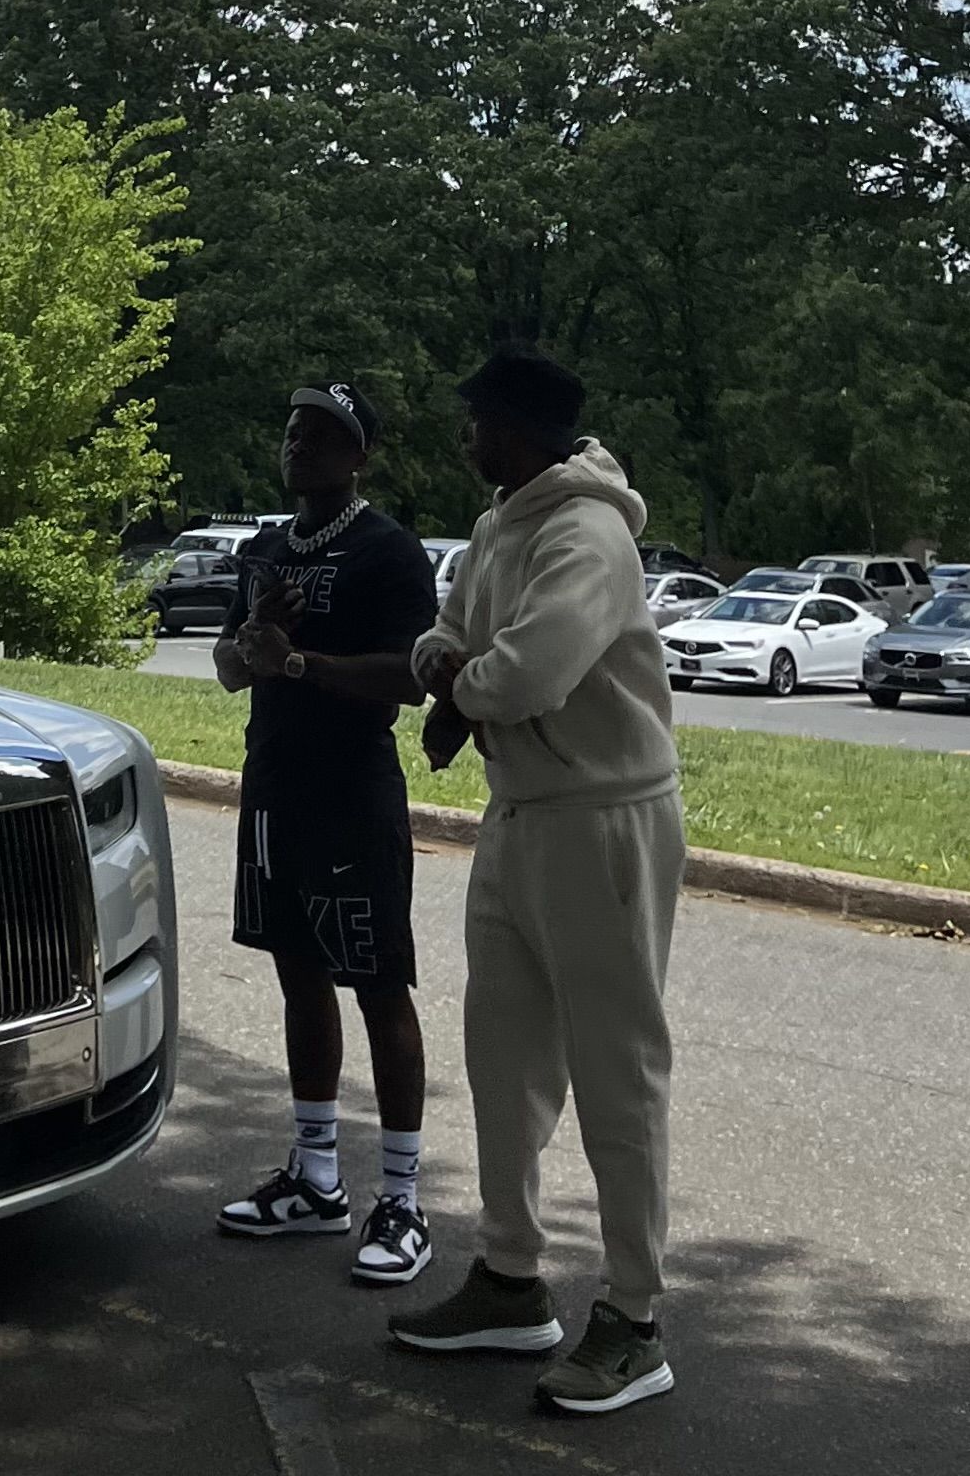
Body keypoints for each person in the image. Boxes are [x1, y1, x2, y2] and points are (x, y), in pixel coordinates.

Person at [386, 345, 685, 1417]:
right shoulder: (497, 524)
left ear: (521, 429)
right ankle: (511, 1279)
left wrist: (458, 694)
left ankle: (636, 1321)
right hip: (518, 817)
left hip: (606, 818)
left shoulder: (590, 532)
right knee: (505, 1055)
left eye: (478, 423)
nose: (466, 440)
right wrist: (443, 667)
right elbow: (457, 634)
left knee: (617, 1069)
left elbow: (532, 668)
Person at [211, 382, 442, 1287]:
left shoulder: (388, 551)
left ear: (360, 456)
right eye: (291, 429)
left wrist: (300, 660)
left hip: (353, 795)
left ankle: (404, 1198)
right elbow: (233, 666)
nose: (298, 445)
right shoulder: (264, 549)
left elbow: (411, 678)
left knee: (379, 985)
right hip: (274, 788)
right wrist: (260, 638)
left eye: (322, 434)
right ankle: (314, 1179)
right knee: (297, 973)